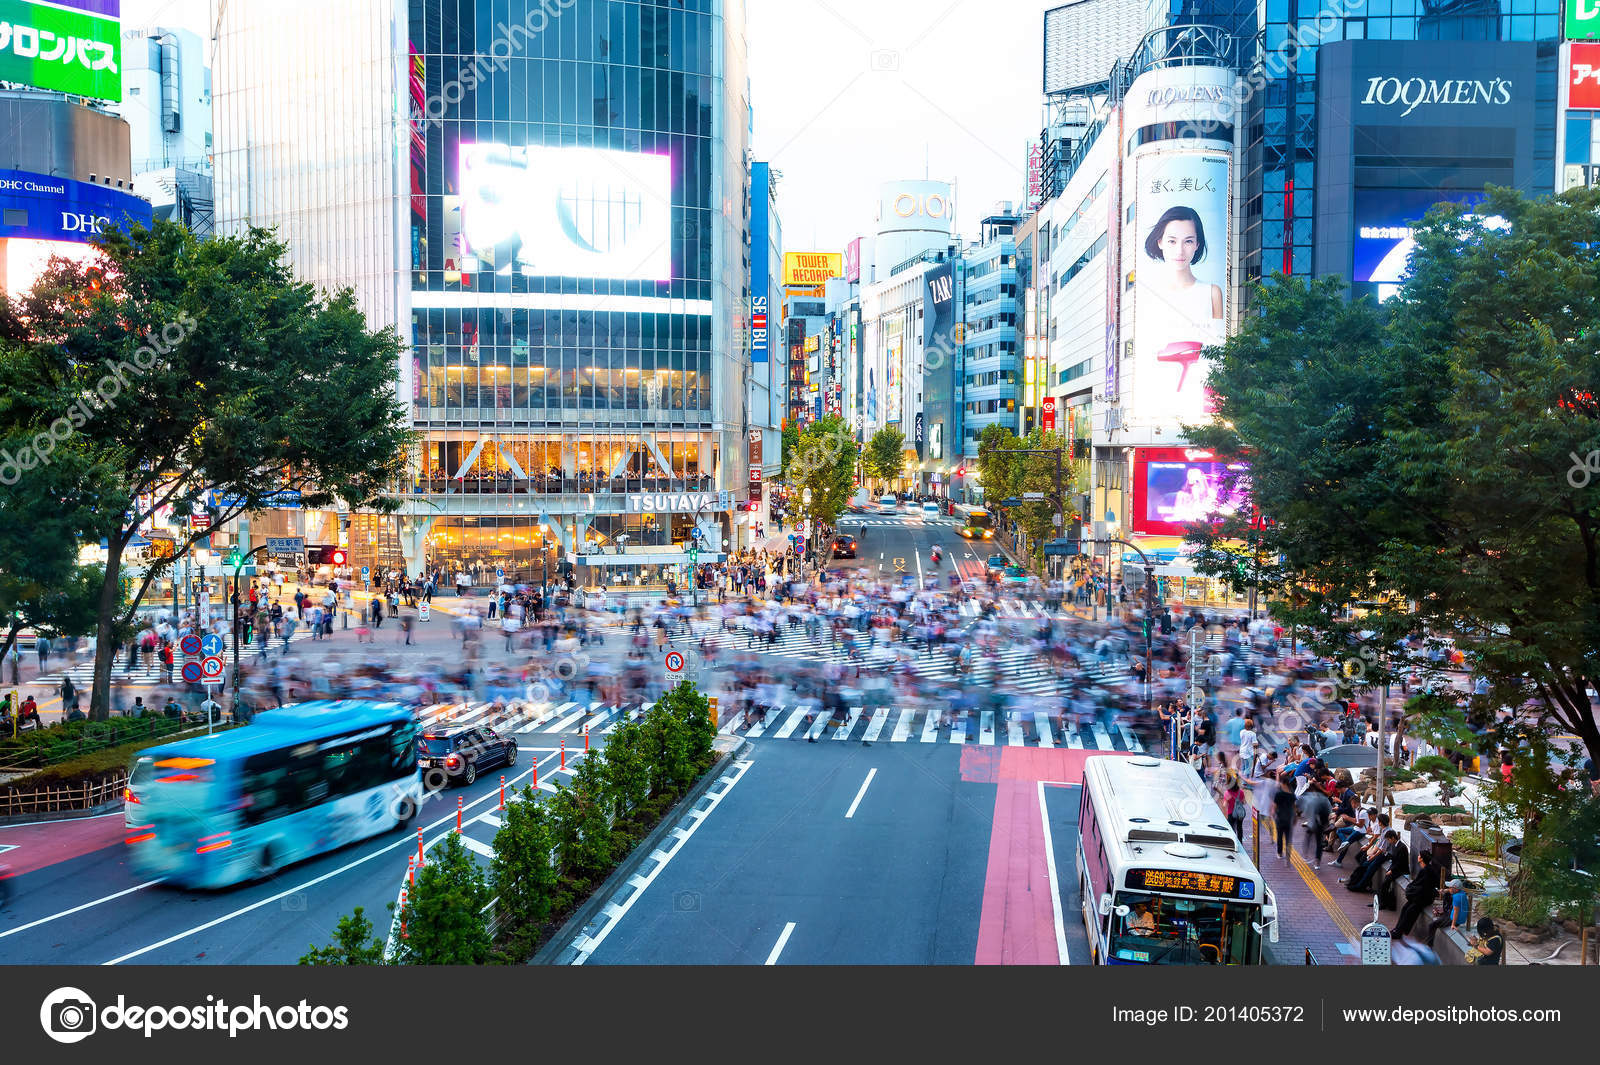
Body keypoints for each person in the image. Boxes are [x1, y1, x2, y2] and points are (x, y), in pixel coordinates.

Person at [1393, 850, 1440, 938]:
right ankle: (1397, 929)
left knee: (1410, 911)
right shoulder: (1427, 869)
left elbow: (1423, 887)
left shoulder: (1427, 871)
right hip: (1420, 896)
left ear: (1421, 859)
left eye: (1419, 856)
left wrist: (1411, 893)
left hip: (1424, 898)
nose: (1418, 856)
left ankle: (1399, 932)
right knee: (1405, 908)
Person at [1297, 775, 1333, 868]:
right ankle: (1317, 862)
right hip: (1321, 825)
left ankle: (1305, 855)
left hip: (1311, 823)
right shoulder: (1325, 799)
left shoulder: (1309, 798)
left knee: (1308, 837)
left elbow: (1299, 805)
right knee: (1319, 842)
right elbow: (1330, 811)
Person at [1425, 880, 1471, 948]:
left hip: (1455, 919)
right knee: (1447, 894)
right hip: (1459, 916)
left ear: (1455, 889)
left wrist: (1453, 924)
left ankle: (1429, 946)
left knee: (1432, 925)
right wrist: (1444, 890)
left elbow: (1456, 911)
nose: (1449, 888)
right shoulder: (1462, 893)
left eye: (1450, 887)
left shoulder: (1456, 897)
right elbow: (1450, 891)